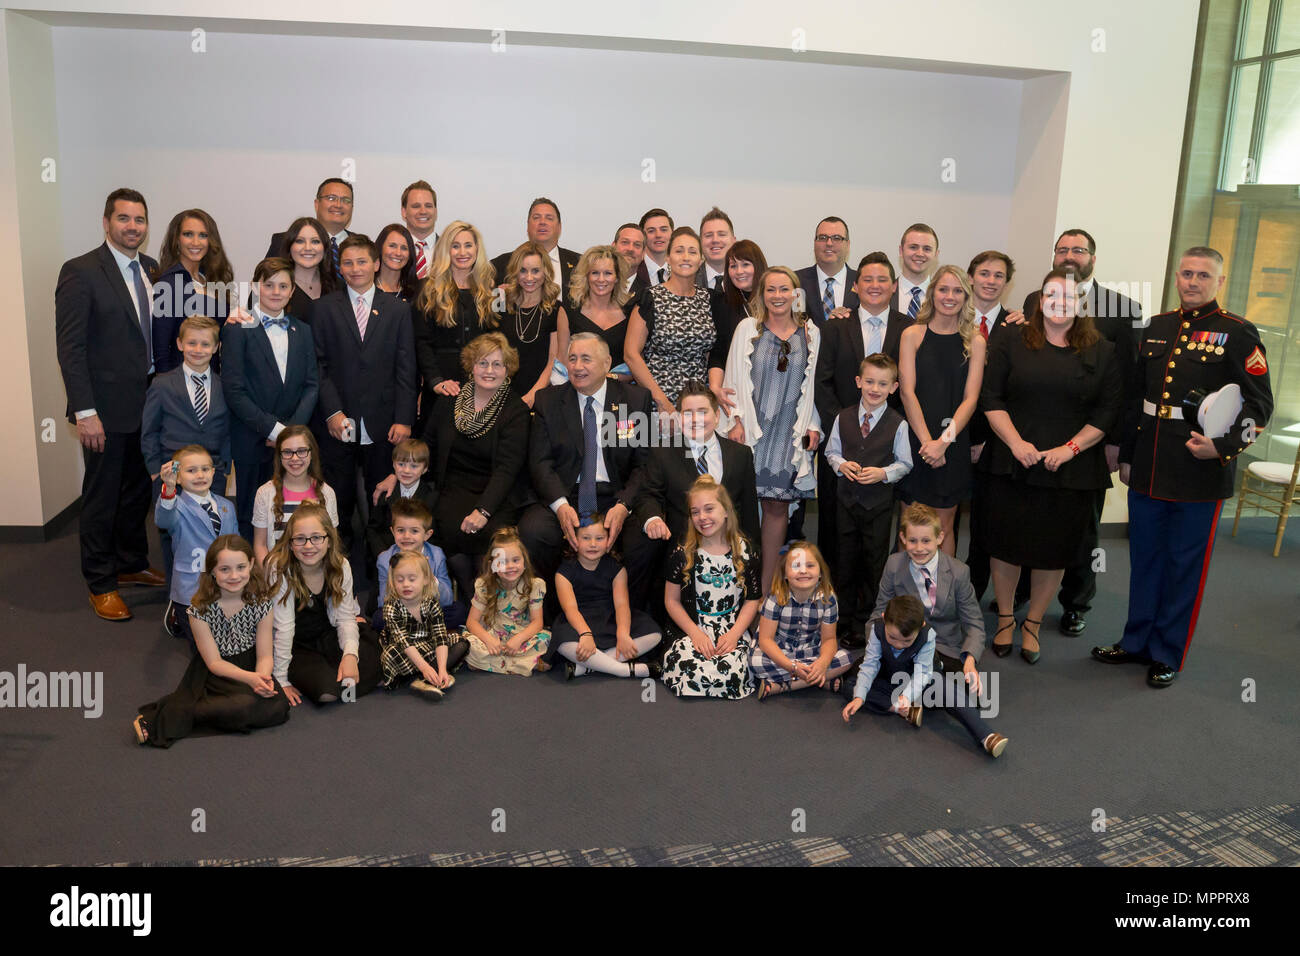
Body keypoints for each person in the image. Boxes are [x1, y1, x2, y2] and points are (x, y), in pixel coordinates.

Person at [1095, 246, 1272, 688]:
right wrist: (1128, 454)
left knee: (1183, 565)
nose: (1193, 282)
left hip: (1200, 470)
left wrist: (1224, 448)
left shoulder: (1239, 334)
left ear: (1219, 282)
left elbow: (1260, 408)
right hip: (1152, 463)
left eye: (1203, 276)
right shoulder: (1157, 327)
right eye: (1187, 274)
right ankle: (1135, 641)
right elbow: (1137, 399)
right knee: (1147, 559)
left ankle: (1167, 651)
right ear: (1177, 276)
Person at [978, 267, 1122, 664]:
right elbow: (992, 398)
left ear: (1082, 304)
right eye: (1052, 295)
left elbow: (1108, 410)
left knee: (1052, 549)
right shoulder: (1012, 339)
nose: (1060, 303)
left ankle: (1034, 624)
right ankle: (1006, 619)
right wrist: (1016, 443)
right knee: (1006, 545)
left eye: (1069, 297)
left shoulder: (1103, 350)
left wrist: (1071, 448)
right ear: (1041, 301)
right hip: (1013, 460)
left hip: (1071, 469)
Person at [1023, 229, 1140, 637]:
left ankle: (1076, 602)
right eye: (1062, 249)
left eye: (1078, 249)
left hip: (1090, 441)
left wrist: (1117, 442)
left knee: (1082, 529)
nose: (1069, 255)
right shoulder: (1034, 299)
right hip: (1038, 437)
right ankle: (1026, 592)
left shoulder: (1124, 309)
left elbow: (1128, 385)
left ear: (1093, 256)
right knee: (1033, 517)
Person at [56, 187, 166, 621]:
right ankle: (101, 582)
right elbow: (71, 347)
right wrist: (85, 412)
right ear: (107, 223)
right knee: (102, 496)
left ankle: (131, 563)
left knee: (139, 491)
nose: (133, 227)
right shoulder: (81, 272)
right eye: (124, 219)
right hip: (104, 409)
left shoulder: (152, 269)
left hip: (149, 405)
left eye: (139, 220)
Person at [521, 333, 656, 610]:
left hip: (616, 495)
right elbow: (540, 463)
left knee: (644, 538)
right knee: (533, 532)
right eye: (572, 359)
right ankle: (551, 616)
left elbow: (644, 464)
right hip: (564, 493)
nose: (577, 366)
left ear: (607, 364)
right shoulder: (548, 401)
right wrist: (559, 506)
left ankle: (631, 617)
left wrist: (624, 505)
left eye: (586, 358)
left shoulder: (636, 400)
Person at [867, 504, 1008, 756]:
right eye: (912, 540)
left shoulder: (959, 572)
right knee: (864, 674)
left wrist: (970, 661)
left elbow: (975, 624)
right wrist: (882, 646)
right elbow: (878, 615)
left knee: (961, 686)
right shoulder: (893, 565)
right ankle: (928, 700)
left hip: (944, 650)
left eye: (926, 540)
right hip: (903, 646)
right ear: (902, 539)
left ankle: (906, 696)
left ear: (940, 538)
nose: (919, 548)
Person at [133, 536, 289, 747]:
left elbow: (264, 654)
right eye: (224, 569)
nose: (234, 576)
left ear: (251, 565)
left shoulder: (261, 603)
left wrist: (262, 676)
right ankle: (169, 714)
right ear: (212, 571)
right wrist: (249, 679)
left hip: (251, 663)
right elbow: (214, 663)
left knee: (279, 708)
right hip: (217, 671)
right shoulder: (200, 610)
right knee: (244, 706)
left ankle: (190, 713)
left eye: (241, 567)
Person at [721, 266, 821, 594]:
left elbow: (813, 388)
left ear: (796, 293)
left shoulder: (810, 333)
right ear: (762, 294)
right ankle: (735, 588)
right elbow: (732, 380)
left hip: (786, 438)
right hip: (750, 433)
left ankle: (764, 592)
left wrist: (812, 426)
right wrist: (735, 421)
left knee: (776, 509)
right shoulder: (748, 329)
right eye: (771, 290)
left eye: (784, 289)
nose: (777, 296)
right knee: (739, 510)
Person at [312, 234, 416, 546]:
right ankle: (339, 567)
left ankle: (379, 567)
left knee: (380, 500)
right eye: (348, 263)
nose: (355, 268)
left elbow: (406, 368)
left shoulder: (397, 310)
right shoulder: (323, 309)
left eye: (361, 261)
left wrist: (404, 418)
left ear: (376, 264)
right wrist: (332, 411)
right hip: (337, 422)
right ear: (339, 267)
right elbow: (319, 366)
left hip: (384, 422)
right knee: (338, 498)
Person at [814, 251, 911, 575]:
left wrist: (887, 428)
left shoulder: (908, 329)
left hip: (887, 444)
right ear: (855, 286)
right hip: (842, 442)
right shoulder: (835, 325)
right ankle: (830, 594)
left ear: (894, 286)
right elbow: (822, 380)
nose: (874, 285)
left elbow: (910, 385)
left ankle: (872, 602)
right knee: (834, 523)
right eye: (867, 279)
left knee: (876, 533)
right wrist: (843, 426)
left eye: (882, 279)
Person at [419, 333, 531, 599]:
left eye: (497, 364)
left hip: (495, 493)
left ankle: (489, 605)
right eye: (483, 363)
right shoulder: (450, 400)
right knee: (448, 527)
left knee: (488, 535)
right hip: (453, 486)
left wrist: (483, 510)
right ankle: (473, 603)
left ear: (508, 370)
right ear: (471, 366)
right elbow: (427, 443)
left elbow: (507, 468)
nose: (489, 371)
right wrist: (395, 474)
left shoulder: (515, 410)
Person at [221, 258, 320, 539]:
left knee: (291, 514)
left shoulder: (303, 331)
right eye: (268, 285)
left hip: (293, 443)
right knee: (250, 513)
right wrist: (273, 430)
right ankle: (252, 576)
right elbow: (234, 390)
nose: (276, 291)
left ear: (292, 292)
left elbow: (312, 385)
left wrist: (288, 433)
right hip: (251, 438)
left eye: (283, 286)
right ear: (255, 287)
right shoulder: (238, 328)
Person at [841, 594, 1007, 758]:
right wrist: (860, 697)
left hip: (924, 679)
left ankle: (986, 736)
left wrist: (907, 695)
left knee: (949, 690)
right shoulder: (877, 630)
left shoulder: (928, 636)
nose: (898, 645)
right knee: (851, 687)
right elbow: (870, 665)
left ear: (921, 626)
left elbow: (922, 673)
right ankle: (901, 709)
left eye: (906, 641)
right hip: (891, 676)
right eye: (892, 637)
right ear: (884, 619)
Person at [823, 353, 913, 644]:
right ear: (859, 382)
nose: (875, 389)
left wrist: (883, 474)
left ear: (894, 387)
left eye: (883, 383)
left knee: (873, 565)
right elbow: (831, 452)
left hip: (878, 507)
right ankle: (842, 619)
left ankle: (865, 622)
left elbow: (905, 463)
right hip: (846, 504)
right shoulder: (843, 417)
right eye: (870, 381)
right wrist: (841, 465)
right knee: (845, 562)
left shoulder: (897, 423)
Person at [898, 264, 985, 551]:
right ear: (932, 293)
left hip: (953, 445)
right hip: (916, 441)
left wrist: (943, 443)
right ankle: (905, 597)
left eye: (958, 290)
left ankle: (940, 596)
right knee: (909, 525)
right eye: (944, 289)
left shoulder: (975, 340)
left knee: (943, 528)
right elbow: (907, 392)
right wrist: (928, 444)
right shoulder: (912, 335)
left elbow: (970, 398)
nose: (950, 296)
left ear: (966, 296)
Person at [267, 502, 381, 706]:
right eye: (300, 539)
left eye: (316, 537)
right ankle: (339, 682)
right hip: (296, 643)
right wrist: (281, 679)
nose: (309, 546)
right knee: (326, 692)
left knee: (370, 658)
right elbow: (284, 628)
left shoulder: (340, 565)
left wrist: (349, 655)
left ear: (329, 540)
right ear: (290, 543)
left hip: (328, 633)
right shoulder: (280, 569)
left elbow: (345, 619)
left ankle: (348, 675)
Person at [661, 476, 763, 699]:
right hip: (693, 627)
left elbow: (753, 599)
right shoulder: (683, 553)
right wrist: (696, 634)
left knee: (735, 670)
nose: (702, 517)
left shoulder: (746, 552)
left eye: (709, 509)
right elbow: (671, 601)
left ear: (726, 511)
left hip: (731, 629)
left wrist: (735, 634)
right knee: (687, 664)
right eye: (695, 512)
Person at [965, 250, 1029, 606]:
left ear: (1007, 283)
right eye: (984, 273)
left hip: (995, 443)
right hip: (954, 435)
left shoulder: (1019, 327)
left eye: (999, 276)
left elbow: (1010, 393)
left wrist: (986, 440)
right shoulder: (951, 317)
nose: (990, 281)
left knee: (987, 524)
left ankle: (983, 595)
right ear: (971, 277)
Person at [638, 380, 761, 547]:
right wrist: (653, 519)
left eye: (703, 412)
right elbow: (649, 495)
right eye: (688, 413)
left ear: (717, 416)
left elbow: (749, 512)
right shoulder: (662, 453)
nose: (695, 419)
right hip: (681, 551)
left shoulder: (741, 454)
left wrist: (752, 557)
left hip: (731, 551)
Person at [625, 226, 729, 422]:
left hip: (698, 408)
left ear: (700, 260)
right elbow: (631, 354)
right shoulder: (651, 298)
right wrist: (662, 403)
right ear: (668, 258)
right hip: (659, 407)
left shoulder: (711, 299)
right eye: (679, 251)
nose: (686, 257)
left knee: (694, 453)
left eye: (692, 252)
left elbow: (712, 353)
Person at [552, 514, 662, 680]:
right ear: (574, 540)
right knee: (562, 641)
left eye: (599, 538)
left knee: (654, 634)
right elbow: (571, 609)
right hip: (578, 622)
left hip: (610, 619)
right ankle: (624, 670)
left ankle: (588, 667)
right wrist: (585, 634)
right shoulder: (563, 573)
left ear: (609, 540)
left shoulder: (617, 569)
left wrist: (623, 633)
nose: (593, 544)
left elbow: (621, 605)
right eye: (586, 538)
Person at [751, 542, 855, 699]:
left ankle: (782, 686)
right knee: (755, 662)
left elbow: (829, 639)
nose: (803, 571)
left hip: (811, 650)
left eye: (810, 565)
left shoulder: (828, 599)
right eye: (795, 566)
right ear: (785, 574)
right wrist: (791, 666)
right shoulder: (775, 598)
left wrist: (823, 663)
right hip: (779, 651)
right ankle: (821, 679)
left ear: (820, 572)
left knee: (846, 658)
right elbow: (766, 641)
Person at [155, 446, 238, 641]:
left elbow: (236, 543)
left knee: (225, 641)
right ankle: (177, 612)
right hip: (190, 590)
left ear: (213, 471)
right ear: (178, 477)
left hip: (224, 587)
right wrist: (168, 490)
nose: (200, 475)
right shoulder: (176, 506)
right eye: (191, 470)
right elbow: (163, 520)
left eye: (205, 469)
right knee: (202, 647)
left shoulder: (226, 506)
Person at [141, 316, 231, 495]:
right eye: (191, 343)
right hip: (172, 473)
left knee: (211, 522)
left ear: (216, 347)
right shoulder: (161, 385)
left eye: (205, 344)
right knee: (172, 522)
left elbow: (228, 431)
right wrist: (154, 473)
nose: (198, 350)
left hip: (212, 473)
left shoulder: (225, 387)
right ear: (180, 344)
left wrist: (225, 469)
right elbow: (149, 432)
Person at [412, 220, 497, 406]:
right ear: (445, 250)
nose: (462, 252)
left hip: (481, 389)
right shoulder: (428, 288)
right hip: (441, 389)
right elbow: (421, 342)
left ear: (477, 249)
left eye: (468, 245)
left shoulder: (489, 290)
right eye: (455, 246)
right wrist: (435, 381)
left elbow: (495, 340)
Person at [150, 209, 234, 373]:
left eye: (203, 235)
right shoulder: (169, 284)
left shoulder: (213, 279)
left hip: (212, 381)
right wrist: (168, 389)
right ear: (176, 240)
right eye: (188, 234)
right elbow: (161, 349)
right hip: (181, 385)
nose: (196, 242)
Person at [462, 528, 551, 676]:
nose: (510, 566)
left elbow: (537, 622)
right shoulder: (484, 585)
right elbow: (472, 622)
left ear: (524, 561)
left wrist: (518, 639)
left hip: (519, 634)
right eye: (502, 562)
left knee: (545, 638)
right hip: (491, 634)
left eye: (516, 560)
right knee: (467, 643)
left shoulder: (535, 585)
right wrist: (488, 640)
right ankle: (522, 665)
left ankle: (490, 664)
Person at [380, 550, 468, 698]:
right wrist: (425, 667)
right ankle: (425, 676)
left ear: (426, 579)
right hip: (405, 651)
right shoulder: (391, 607)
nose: (406, 584)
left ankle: (422, 680)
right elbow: (404, 642)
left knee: (461, 642)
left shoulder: (431, 602)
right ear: (392, 582)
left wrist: (442, 669)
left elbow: (440, 636)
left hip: (427, 645)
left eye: (412, 579)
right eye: (399, 580)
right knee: (390, 655)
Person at [372, 497, 464, 632]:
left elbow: (447, 599)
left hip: (431, 610)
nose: (406, 536)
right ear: (393, 531)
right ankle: (424, 629)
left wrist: (430, 577)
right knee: (379, 618)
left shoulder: (436, 555)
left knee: (459, 611)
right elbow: (384, 601)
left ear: (427, 534)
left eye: (414, 531)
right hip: (402, 611)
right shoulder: (385, 559)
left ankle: (415, 630)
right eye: (400, 530)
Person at [251, 426, 338, 566]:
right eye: (287, 452)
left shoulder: (327, 493)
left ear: (312, 453)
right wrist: (270, 579)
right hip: (278, 577)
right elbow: (260, 545)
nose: (294, 458)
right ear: (279, 456)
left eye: (302, 451)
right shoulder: (265, 493)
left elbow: (332, 543)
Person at [497, 241, 563, 407]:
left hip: (540, 398)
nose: (529, 277)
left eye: (535, 271)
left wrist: (532, 396)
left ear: (545, 271)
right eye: (523, 271)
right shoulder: (501, 303)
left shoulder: (556, 309)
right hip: (500, 397)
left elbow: (554, 361)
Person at [557, 245, 633, 382]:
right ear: (586, 276)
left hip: (620, 394)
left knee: (624, 405)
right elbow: (562, 360)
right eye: (595, 273)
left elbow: (634, 363)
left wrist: (607, 379)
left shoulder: (630, 312)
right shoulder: (568, 310)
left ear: (617, 277)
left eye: (608, 273)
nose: (601, 279)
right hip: (577, 392)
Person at [365, 437, 438, 571]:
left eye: (414, 466)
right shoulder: (385, 494)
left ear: (425, 469)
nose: (406, 470)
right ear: (393, 465)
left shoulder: (431, 497)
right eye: (401, 464)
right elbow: (373, 529)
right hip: (389, 557)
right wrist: (382, 553)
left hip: (420, 559)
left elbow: (434, 534)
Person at [265, 178, 353, 279]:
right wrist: (251, 295)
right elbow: (258, 284)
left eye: (346, 200)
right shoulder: (283, 240)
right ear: (317, 204)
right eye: (331, 198)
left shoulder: (364, 246)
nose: (338, 205)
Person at [490, 197, 580, 294]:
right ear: (528, 226)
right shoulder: (499, 265)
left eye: (549, 218)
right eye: (536, 217)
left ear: (559, 227)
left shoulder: (581, 264)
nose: (542, 222)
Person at [270, 217, 339, 324]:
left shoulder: (337, 285)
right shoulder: (269, 283)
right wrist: (236, 315)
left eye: (315, 241)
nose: (308, 248)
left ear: (325, 248)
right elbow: (250, 323)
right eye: (300, 241)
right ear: (290, 246)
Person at [795, 217, 858, 326]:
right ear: (814, 243)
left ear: (848, 245)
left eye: (837, 238)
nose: (829, 243)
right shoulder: (795, 281)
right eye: (823, 237)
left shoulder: (862, 282)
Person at [892, 223, 939, 319]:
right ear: (901, 251)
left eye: (927, 249)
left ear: (936, 254)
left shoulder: (944, 297)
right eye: (913, 247)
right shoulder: (884, 293)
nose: (920, 254)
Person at [399, 180, 439, 278]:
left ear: (435, 211)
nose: (423, 211)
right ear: (404, 212)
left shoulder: (450, 251)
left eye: (428, 206)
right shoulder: (392, 253)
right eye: (416, 206)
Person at [374, 222, 420, 301]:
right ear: (380, 247)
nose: (398, 253)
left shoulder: (417, 294)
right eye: (392, 246)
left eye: (404, 248)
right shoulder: (365, 288)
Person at [697, 207, 735, 292]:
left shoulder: (747, 280)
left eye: (721, 234)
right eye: (708, 235)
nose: (715, 240)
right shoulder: (687, 282)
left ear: (733, 241)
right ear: (700, 242)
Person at [637, 208, 673, 286]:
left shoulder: (682, 271)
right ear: (642, 236)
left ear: (672, 233)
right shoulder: (632, 271)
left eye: (663, 230)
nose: (658, 235)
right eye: (651, 231)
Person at [613, 223, 648, 300]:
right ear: (613, 246)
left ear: (643, 253)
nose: (630, 249)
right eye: (625, 242)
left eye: (637, 245)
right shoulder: (594, 283)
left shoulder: (648, 294)